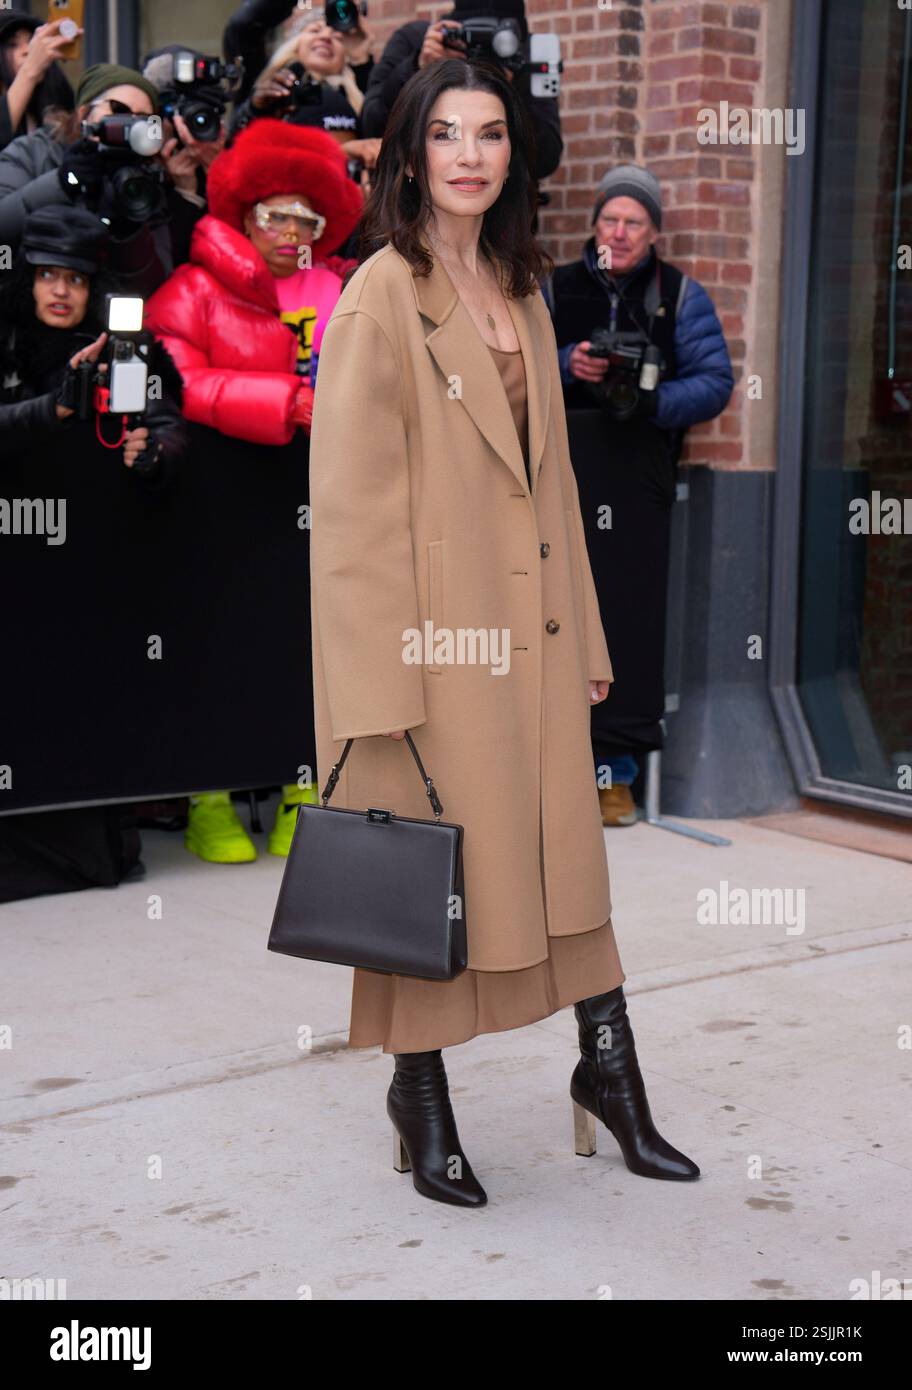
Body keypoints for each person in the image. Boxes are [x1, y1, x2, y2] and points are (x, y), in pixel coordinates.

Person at [307, 58, 699, 1207]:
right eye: (447, 134)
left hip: (528, 639)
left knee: (567, 860)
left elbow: (557, 488)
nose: (471, 155)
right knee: (429, 882)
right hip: (426, 655)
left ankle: (610, 1068)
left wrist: (581, 642)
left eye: (490, 135)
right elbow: (351, 511)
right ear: (411, 155)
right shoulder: (381, 292)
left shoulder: (525, 288)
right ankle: (418, 1092)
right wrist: (376, 682)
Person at [145, 119, 363, 862]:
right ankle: (212, 799)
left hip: (312, 498)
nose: (291, 232)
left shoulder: (343, 290)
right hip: (220, 494)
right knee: (219, 644)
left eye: (309, 219)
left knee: (303, 648)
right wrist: (283, 402)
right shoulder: (193, 286)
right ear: (246, 214)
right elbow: (178, 378)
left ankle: (303, 792)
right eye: (277, 215)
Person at [543, 165, 734, 826]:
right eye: (610, 219)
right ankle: (546, 769)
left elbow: (715, 383)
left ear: (654, 233)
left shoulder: (680, 295)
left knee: (626, 623)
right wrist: (568, 362)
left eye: (634, 222)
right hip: (560, 475)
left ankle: (613, 777)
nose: (619, 233)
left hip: (638, 479)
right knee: (552, 616)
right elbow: (505, 368)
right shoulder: (552, 288)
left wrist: (650, 399)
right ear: (593, 224)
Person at [0, 63, 201, 296]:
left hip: (103, 318)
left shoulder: (143, 179)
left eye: (144, 119)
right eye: (118, 109)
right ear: (85, 112)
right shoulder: (35, 152)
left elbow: (154, 284)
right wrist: (62, 183)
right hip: (26, 308)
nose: (132, 125)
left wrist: (130, 230)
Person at [359, 0, 562, 181]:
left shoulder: (527, 54)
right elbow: (373, 124)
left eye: (493, 40)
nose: (481, 50)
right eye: (473, 38)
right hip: (416, 207)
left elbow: (545, 158)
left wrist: (509, 87)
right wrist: (419, 67)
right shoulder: (418, 40)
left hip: (505, 211)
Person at [0, 11, 75, 152]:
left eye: (31, 42)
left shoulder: (54, 98)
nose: (27, 50)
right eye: (12, 44)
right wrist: (30, 70)